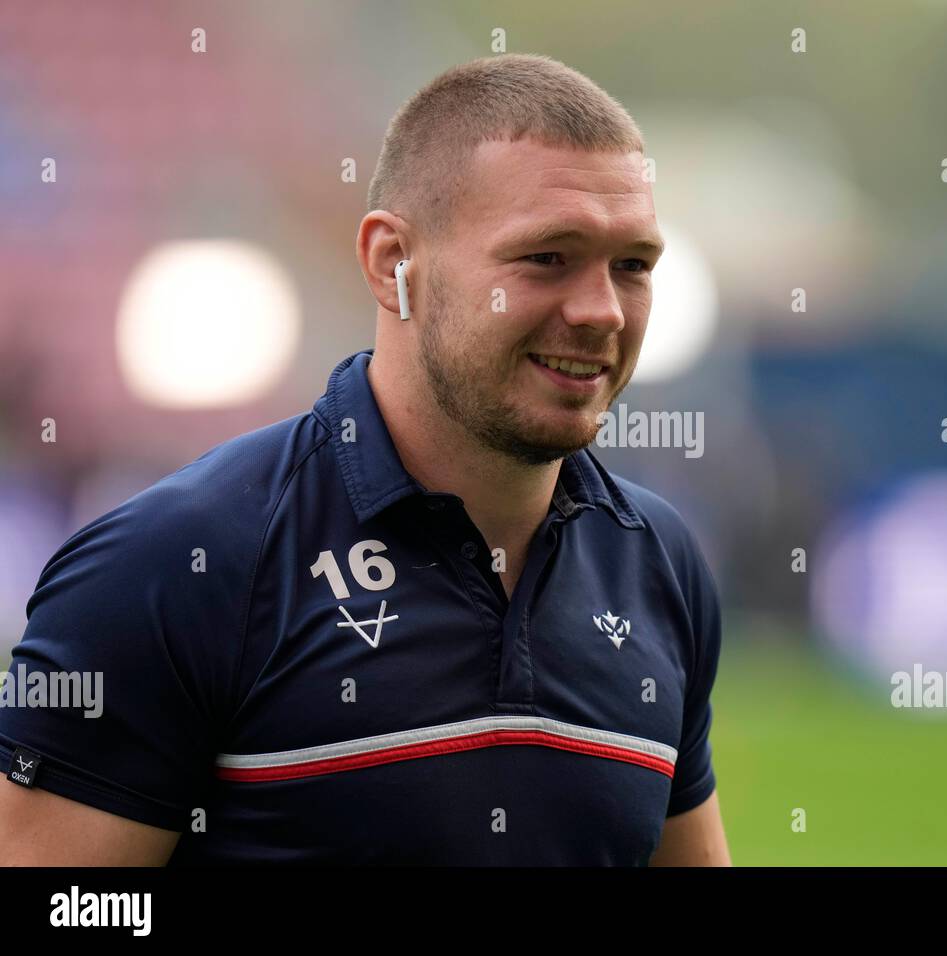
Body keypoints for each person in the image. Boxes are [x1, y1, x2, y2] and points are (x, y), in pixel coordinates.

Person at [0, 53, 730, 865]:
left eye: (632, 265)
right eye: (545, 258)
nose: (601, 311)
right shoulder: (172, 564)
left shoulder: (660, 562)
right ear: (393, 264)